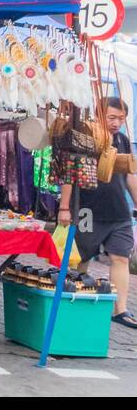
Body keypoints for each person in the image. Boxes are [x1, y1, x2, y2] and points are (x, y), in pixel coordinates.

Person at [58, 96, 137, 330]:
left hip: (119, 212)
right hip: (87, 210)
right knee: (80, 258)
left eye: (121, 119)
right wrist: (64, 207)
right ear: (99, 114)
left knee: (121, 257)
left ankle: (120, 310)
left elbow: (131, 175)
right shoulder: (83, 138)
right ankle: (73, 300)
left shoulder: (122, 140)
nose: (116, 123)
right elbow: (68, 174)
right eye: (112, 117)